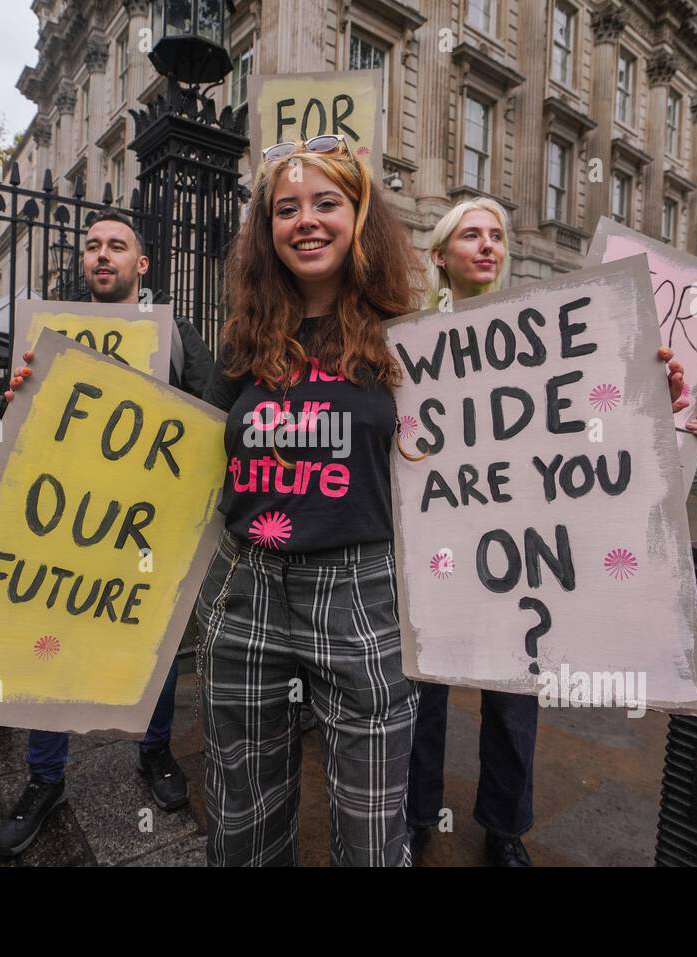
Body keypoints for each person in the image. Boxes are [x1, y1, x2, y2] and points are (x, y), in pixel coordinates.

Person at [408, 199, 697, 866]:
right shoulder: (408, 341)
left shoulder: (543, 330)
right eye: (471, 234)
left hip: (524, 549)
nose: (488, 245)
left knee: (516, 692)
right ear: (440, 254)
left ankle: (505, 826)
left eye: (497, 233)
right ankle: (415, 814)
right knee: (422, 691)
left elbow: (590, 421)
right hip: (439, 540)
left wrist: (666, 419)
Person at [192, 134, 423, 866]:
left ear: (359, 216)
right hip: (244, 593)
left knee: (372, 832)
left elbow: (506, 445)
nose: (307, 221)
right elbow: (175, 447)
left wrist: (656, 406)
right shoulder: (242, 341)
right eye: (286, 208)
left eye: (327, 202)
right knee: (241, 825)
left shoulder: (409, 341)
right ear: (268, 231)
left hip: (362, 596)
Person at [0, 212, 214, 857]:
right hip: (66, 520)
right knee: (50, 641)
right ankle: (44, 778)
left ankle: (155, 751)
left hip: (147, 526)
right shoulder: (51, 336)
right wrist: (13, 399)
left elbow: (211, 418)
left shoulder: (176, 336)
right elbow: (17, 433)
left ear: (140, 266)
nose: (103, 255)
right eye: (93, 246)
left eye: (117, 246)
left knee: (160, 645)